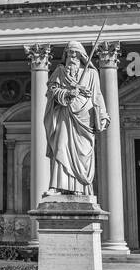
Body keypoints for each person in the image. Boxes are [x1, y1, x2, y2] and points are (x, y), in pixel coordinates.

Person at [44, 41, 110, 195]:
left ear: (81, 56)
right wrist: (67, 94)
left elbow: (97, 96)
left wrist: (103, 115)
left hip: (84, 118)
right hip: (65, 114)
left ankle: (79, 188)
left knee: (82, 154)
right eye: (69, 53)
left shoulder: (91, 74)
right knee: (61, 147)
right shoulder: (60, 72)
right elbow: (51, 92)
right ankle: (57, 186)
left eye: (75, 53)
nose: (72, 57)